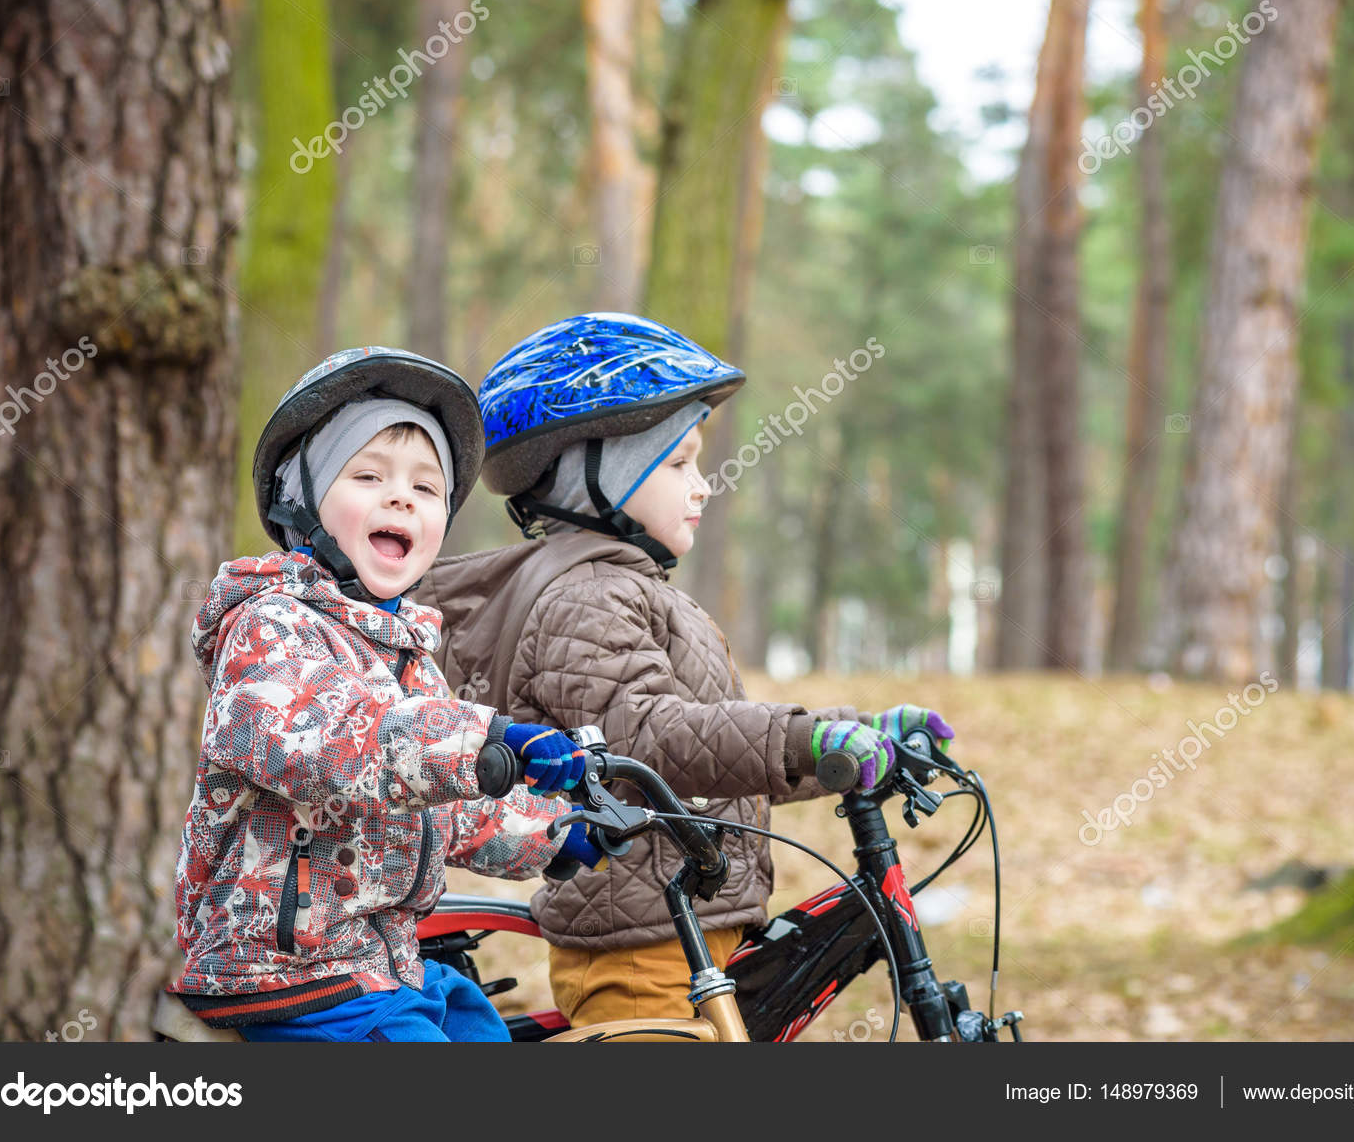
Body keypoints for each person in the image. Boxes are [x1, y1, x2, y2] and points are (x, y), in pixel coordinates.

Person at [427, 314, 956, 1026]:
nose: (703, 486)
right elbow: (651, 738)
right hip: (640, 953)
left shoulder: (635, 591)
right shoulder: (583, 598)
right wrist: (807, 740)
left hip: (693, 927)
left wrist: (856, 735)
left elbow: (717, 756)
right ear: (598, 480)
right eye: (678, 465)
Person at [167, 346, 601, 1042]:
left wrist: (554, 832)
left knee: (479, 1026)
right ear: (301, 500)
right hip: (280, 968)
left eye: (426, 489)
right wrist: (483, 738)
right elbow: (332, 741)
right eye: (367, 476)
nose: (401, 497)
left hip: (379, 960)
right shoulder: (269, 627)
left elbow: (445, 808)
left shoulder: (407, 660)